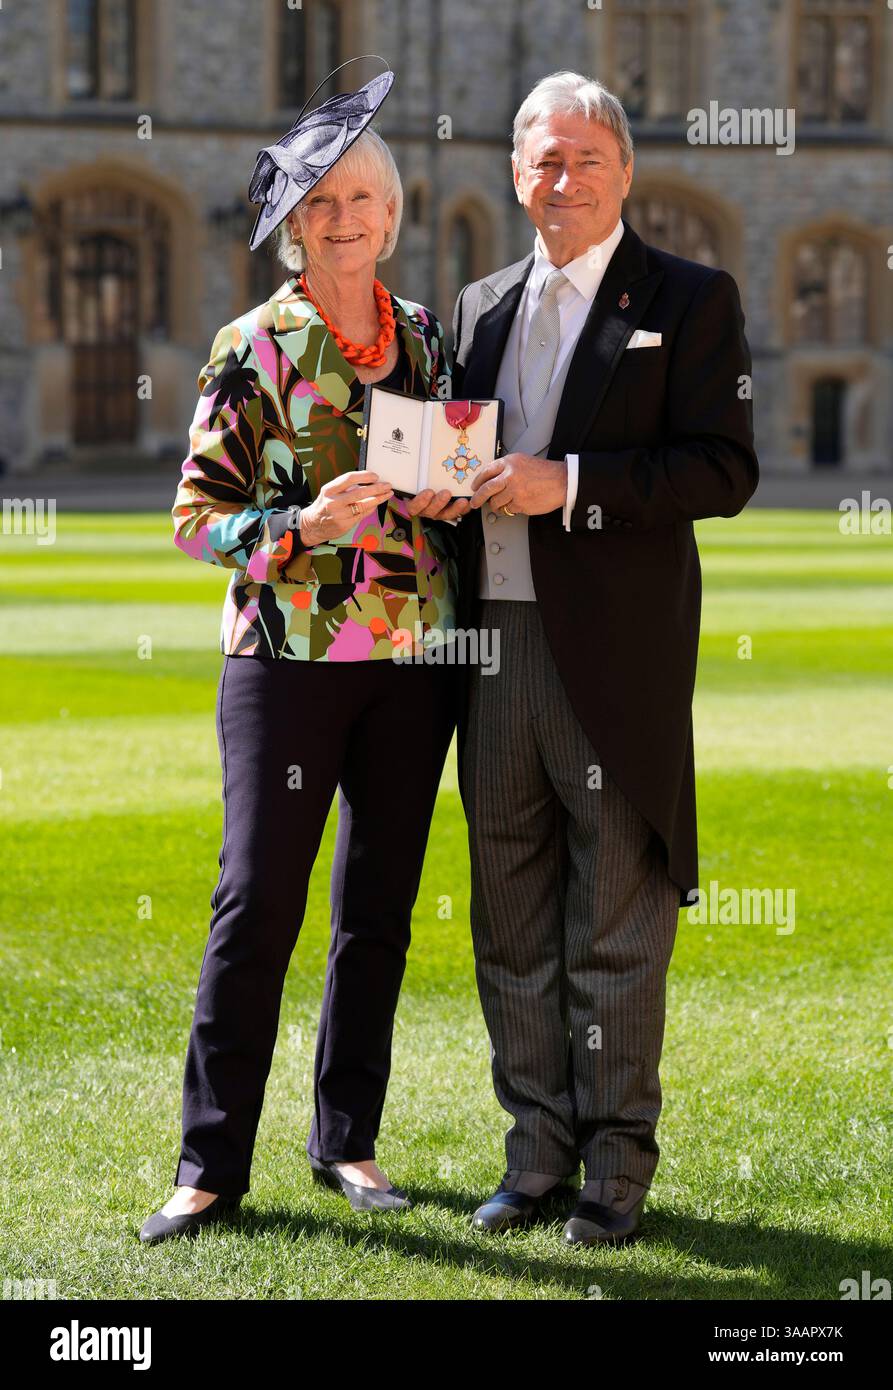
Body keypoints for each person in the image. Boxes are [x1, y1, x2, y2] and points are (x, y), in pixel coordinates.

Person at [139, 61, 460, 1245]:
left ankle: (348, 1140)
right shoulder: (251, 344)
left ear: (389, 213)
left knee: (376, 907)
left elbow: (443, 481)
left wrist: (449, 501)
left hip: (410, 661)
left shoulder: (423, 338)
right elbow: (191, 517)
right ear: (294, 227)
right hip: (286, 659)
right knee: (256, 902)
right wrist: (293, 527)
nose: (343, 218)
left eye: (360, 199)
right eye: (319, 203)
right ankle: (209, 1165)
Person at [448, 71, 759, 1245]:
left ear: (623, 170)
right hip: (492, 648)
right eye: (539, 159)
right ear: (514, 173)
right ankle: (533, 1153)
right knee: (511, 917)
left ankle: (614, 1169)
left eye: (582, 158)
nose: (560, 179)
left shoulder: (686, 297)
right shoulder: (478, 306)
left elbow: (720, 471)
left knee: (615, 927)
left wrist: (564, 483)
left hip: (613, 656)